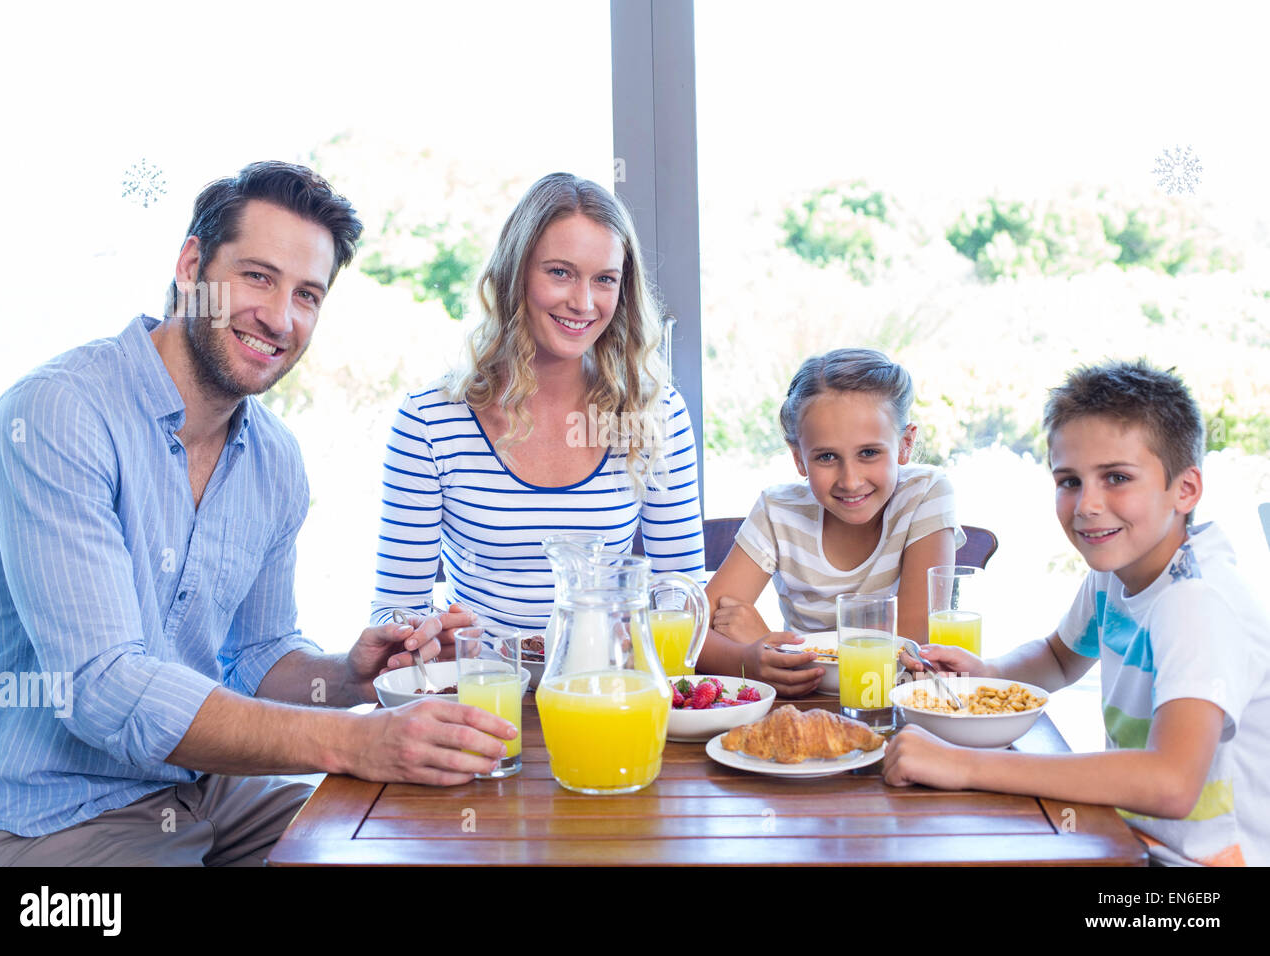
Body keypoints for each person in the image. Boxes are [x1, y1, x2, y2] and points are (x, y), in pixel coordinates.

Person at [0, 161, 516, 867]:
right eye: (257, 277)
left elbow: (255, 658)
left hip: (208, 792)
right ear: (193, 264)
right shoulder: (58, 415)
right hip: (51, 818)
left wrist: (353, 676)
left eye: (308, 295)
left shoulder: (273, 459)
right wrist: (355, 740)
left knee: (409, 844)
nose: (281, 318)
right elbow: (101, 689)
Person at [884, 359, 1270, 867]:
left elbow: (1171, 784)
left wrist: (963, 765)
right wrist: (990, 671)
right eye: (1069, 481)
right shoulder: (1118, 573)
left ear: (1186, 489)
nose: (1087, 505)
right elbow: (1059, 659)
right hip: (1134, 844)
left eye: (1116, 477)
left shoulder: (1196, 600)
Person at [370, 173, 704, 633]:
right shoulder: (431, 420)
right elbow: (396, 609)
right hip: (482, 690)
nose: (583, 303)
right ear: (515, 273)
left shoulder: (654, 414)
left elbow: (680, 594)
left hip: (606, 688)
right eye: (560, 272)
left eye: (604, 279)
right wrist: (420, 637)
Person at [696, 348, 962, 696]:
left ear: (905, 444)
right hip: (803, 707)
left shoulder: (926, 494)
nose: (850, 481)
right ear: (799, 458)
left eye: (869, 453)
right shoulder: (779, 510)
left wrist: (772, 646)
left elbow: (910, 653)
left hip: (892, 711)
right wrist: (747, 658)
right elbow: (691, 630)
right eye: (826, 457)